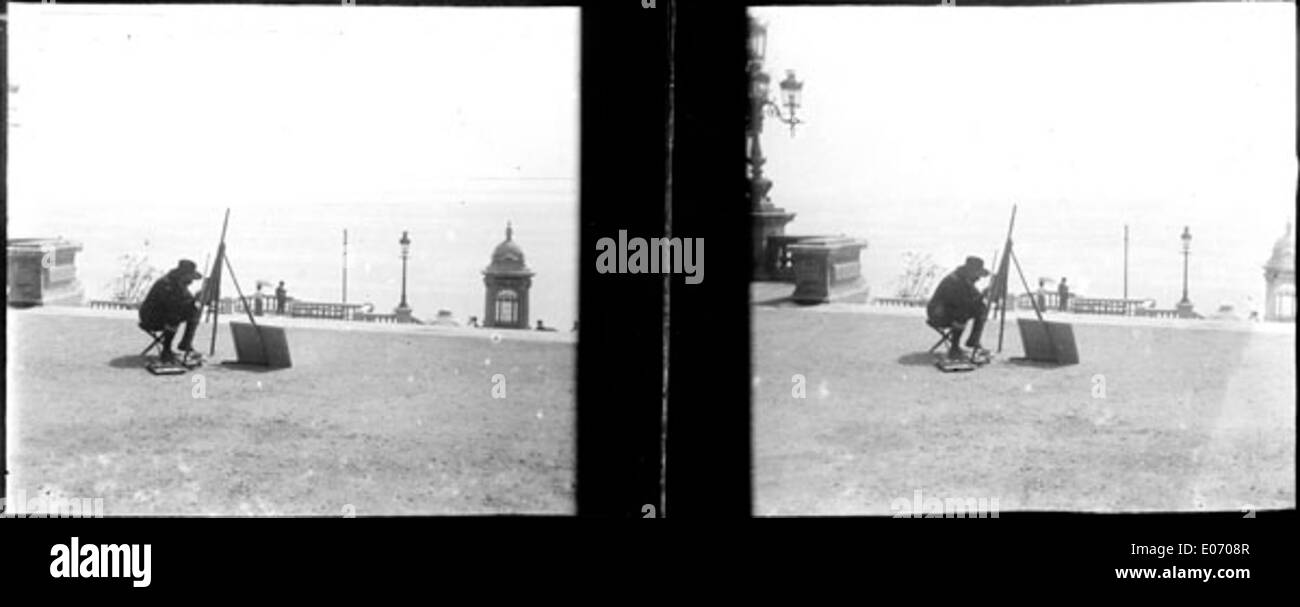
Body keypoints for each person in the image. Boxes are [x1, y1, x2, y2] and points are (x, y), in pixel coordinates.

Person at [139, 259, 203, 364]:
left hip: (164, 314)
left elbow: (187, 302)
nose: (191, 280)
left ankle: (186, 343)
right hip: (150, 317)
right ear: (183, 275)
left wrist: (196, 301)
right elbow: (172, 305)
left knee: (194, 311)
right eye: (190, 276)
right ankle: (166, 350)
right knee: (174, 315)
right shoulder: (166, 284)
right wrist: (191, 303)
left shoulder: (180, 285)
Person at [927, 256, 991, 360]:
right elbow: (962, 303)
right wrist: (981, 296)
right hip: (937, 314)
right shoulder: (955, 281)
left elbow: (975, 300)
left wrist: (983, 296)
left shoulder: (966, 280)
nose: (978, 278)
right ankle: (954, 348)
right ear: (970, 271)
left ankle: (973, 340)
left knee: (981, 308)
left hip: (949, 310)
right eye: (977, 274)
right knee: (962, 313)